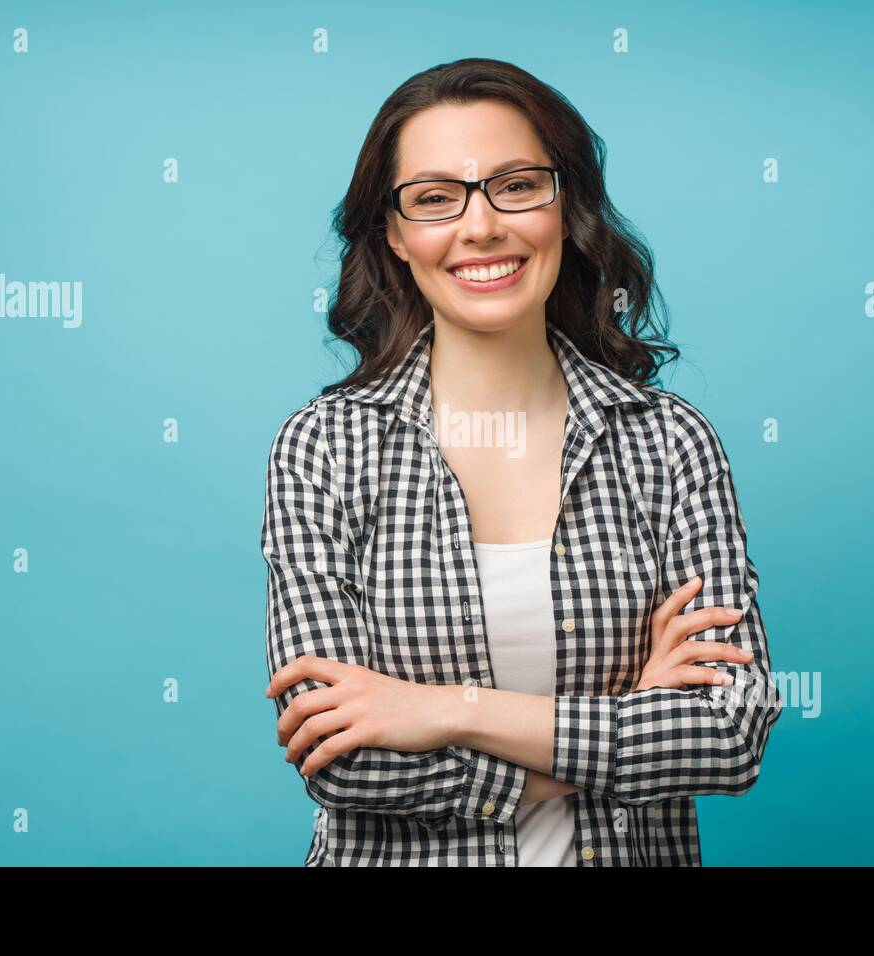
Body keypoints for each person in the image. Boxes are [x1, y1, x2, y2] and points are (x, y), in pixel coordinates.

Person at [261, 57, 783, 866]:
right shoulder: (324, 448)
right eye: (435, 198)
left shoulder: (671, 442)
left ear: (565, 206)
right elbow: (345, 759)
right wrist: (632, 719)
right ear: (393, 235)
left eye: (516, 185)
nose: (482, 228)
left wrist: (449, 710)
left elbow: (727, 736)